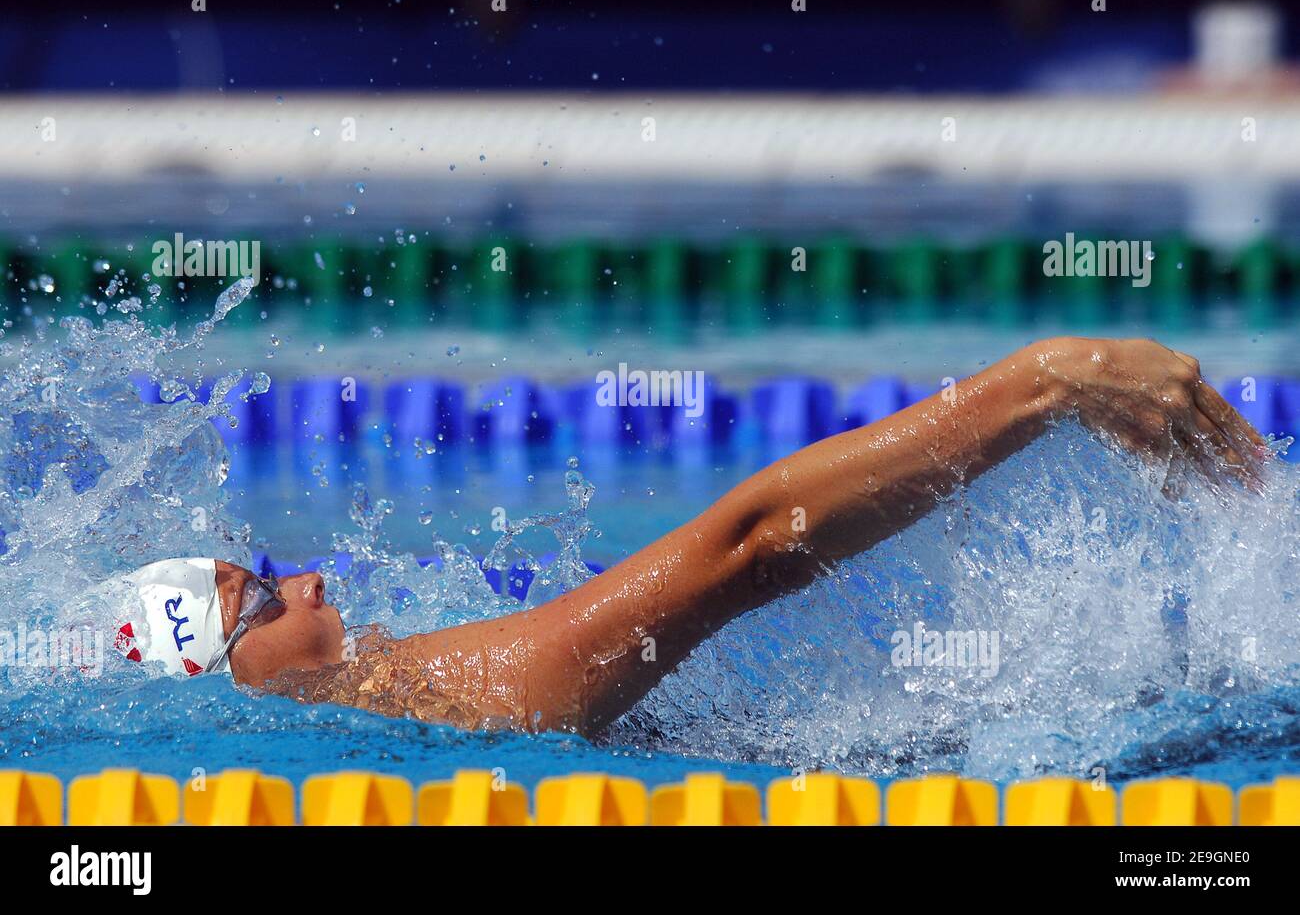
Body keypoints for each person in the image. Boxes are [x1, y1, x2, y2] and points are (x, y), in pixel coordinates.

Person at [108, 337, 1266, 736]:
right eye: (259, 595)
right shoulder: (444, 691)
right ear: (222, 687)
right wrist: (1039, 383)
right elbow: (746, 545)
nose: (308, 579)